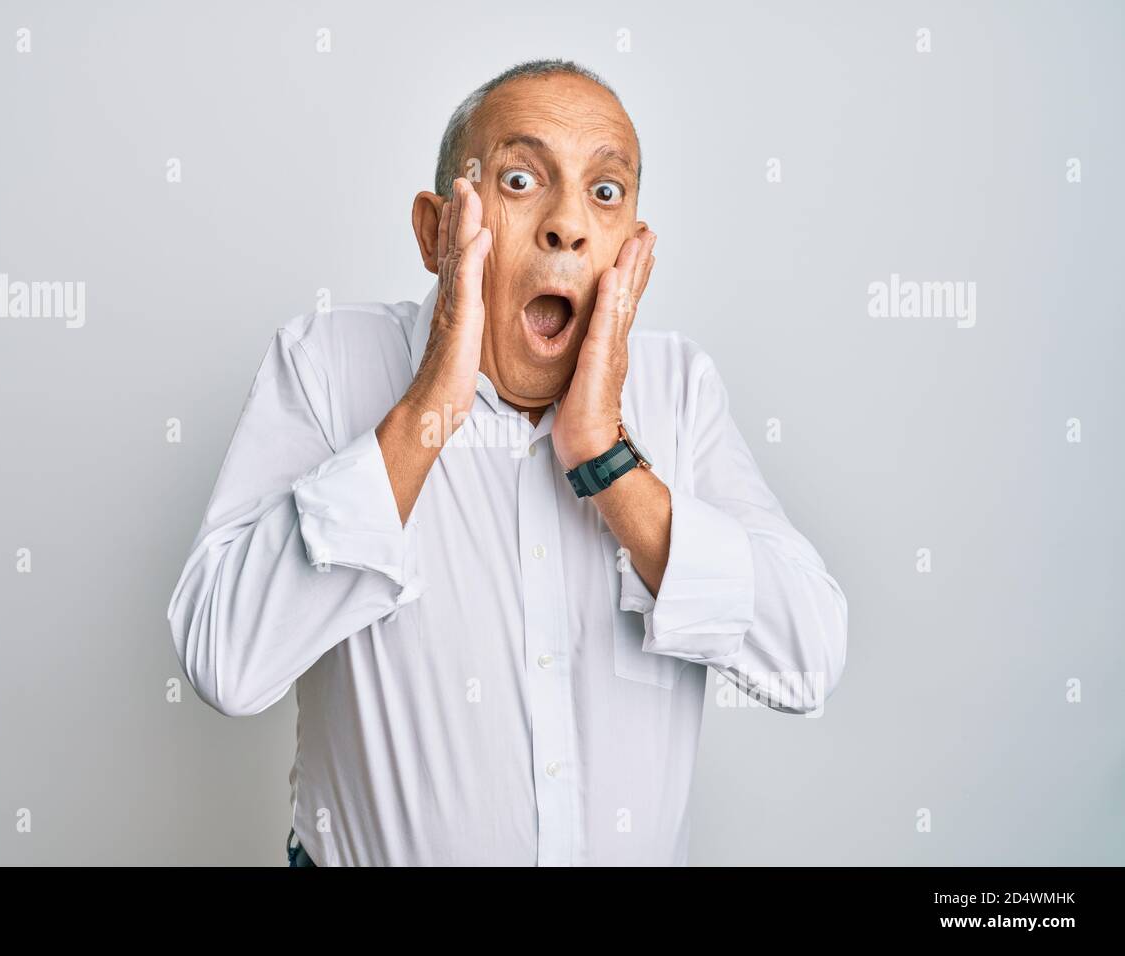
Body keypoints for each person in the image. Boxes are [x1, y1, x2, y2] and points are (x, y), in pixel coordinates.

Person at [168, 59, 848, 866]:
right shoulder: (326, 363)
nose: (568, 224)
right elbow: (225, 661)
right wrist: (430, 410)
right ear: (435, 230)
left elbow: (808, 662)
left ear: (630, 246)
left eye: (605, 192)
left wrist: (608, 459)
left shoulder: (680, 390)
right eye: (521, 179)